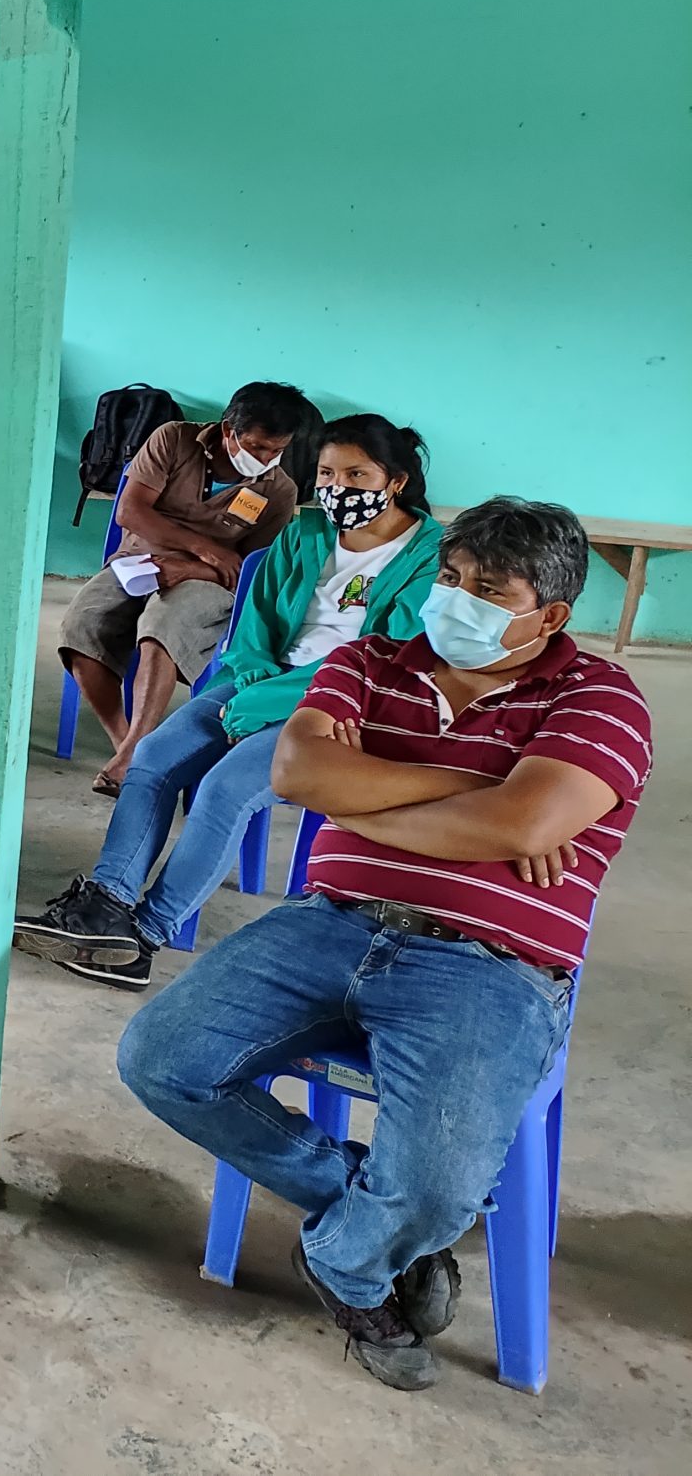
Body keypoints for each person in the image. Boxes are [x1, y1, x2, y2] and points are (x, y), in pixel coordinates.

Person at [119, 499, 650, 1392]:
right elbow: (297, 773)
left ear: (549, 616)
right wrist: (478, 795)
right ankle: (372, 1225)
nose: (457, 598)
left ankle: (348, 1261)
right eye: (450, 577)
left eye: (488, 589)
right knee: (159, 1056)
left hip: (490, 964)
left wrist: (381, 794)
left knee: (442, 1188)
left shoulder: (601, 697)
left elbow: (527, 817)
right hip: (328, 922)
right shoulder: (369, 659)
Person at [17, 414, 443, 987]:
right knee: (151, 758)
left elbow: (384, 657)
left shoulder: (430, 556)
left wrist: (269, 701)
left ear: (394, 481)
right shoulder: (305, 534)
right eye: (326, 473)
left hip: (345, 708)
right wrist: (251, 683)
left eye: (356, 474)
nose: (338, 487)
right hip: (258, 683)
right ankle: (105, 905)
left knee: (225, 788)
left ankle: (143, 937)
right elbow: (254, 627)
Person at [57, 381, 316, 794]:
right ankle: (127, 742)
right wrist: (202, 547)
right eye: (256, 446)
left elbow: (250, 570)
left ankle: (134, 753)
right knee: (81, 627)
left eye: (276, 450)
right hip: (138, 562)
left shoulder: (278, 489)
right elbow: (131, 511)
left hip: (209, 583)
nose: (265, 459)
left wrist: (191, 568)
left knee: (164, 622)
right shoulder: (173, 439)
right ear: (228, 430)